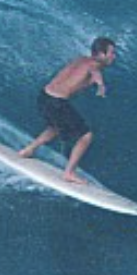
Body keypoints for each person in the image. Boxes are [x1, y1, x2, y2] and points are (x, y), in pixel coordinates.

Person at [19, 37, 117, 184]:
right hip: (57, 102)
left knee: (55, 127)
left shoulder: (81, 59)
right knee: (86, 136)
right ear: (101, 55)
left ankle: (28, 150)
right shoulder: (94, 65)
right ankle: (69, 173)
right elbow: (94, 70)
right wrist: (100, 85)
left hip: (44, 96)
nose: (114, 56)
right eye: (111, 53)